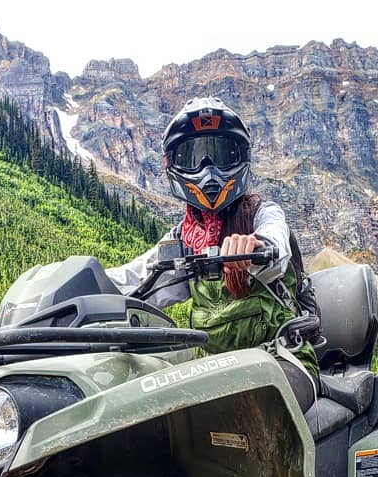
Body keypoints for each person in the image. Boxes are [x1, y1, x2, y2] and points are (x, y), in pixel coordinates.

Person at [106, 97, 318, 412]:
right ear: (174, 164)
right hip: (216, 371)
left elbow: (278, 247)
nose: (208, 169)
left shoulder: (262, 213)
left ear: (241, 159)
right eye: (194, 157)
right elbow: (136, 279)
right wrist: (83, 283)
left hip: (283, 360)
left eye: (221, 155)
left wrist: (254, 247)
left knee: (248, 410)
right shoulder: (183, 239)